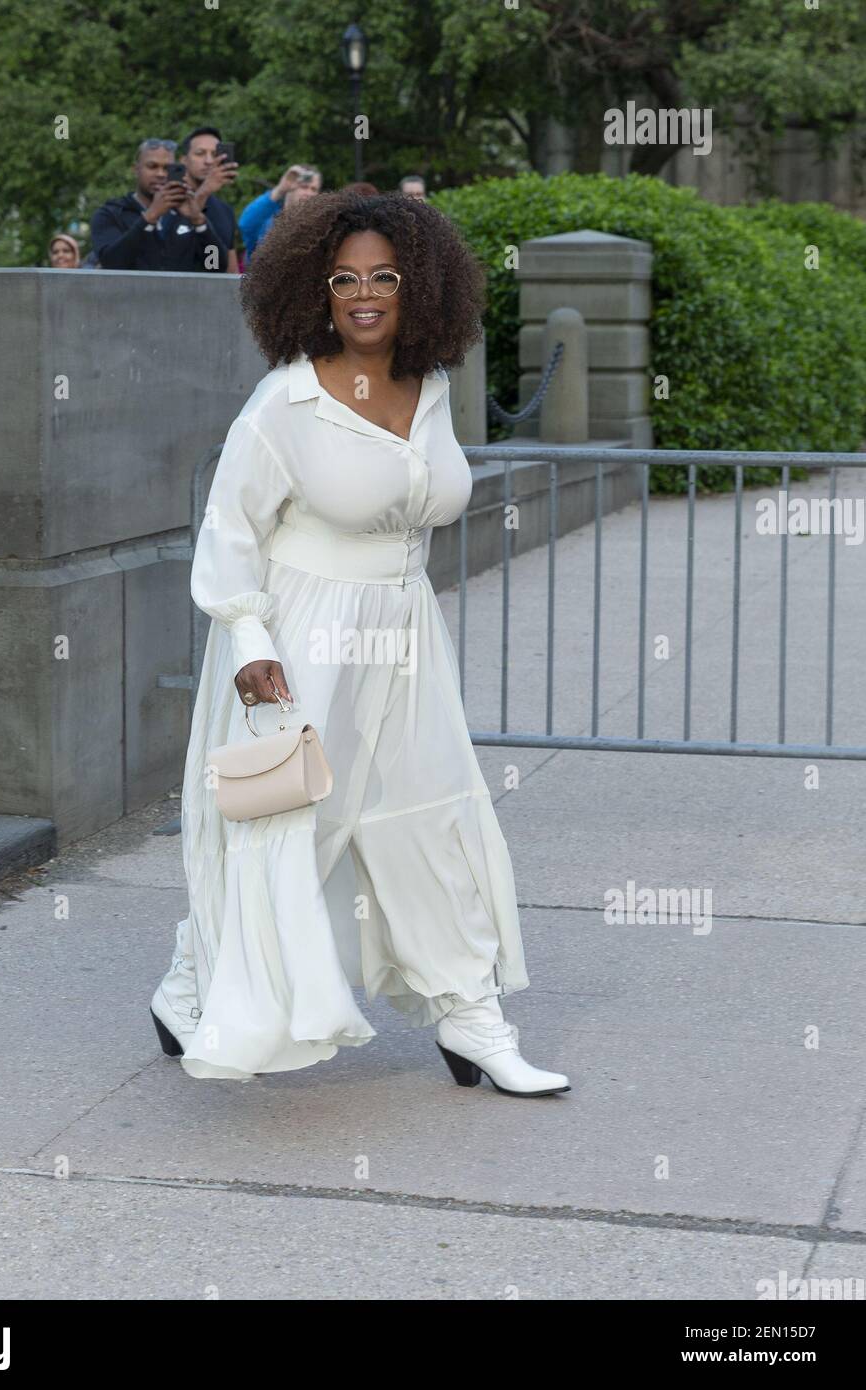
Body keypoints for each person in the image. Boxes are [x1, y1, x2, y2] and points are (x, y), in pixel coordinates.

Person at [150, 190, 571, 1098]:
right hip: (301, 632)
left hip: (405, 625)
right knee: (294, 818)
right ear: (316, 292)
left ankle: (471, 1018)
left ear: (419, 287)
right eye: (344, 280)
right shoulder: (284, 402)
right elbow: (228, 530)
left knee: (431, 812)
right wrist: (252, 642)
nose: (364, 294)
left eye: (384, 276)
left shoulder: (433, 387)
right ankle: (195, 981)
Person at [89, 138, 230, 272]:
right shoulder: (111, 214)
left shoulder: (187, 214)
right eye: (152, 166)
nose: (161, 174)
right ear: (136, 169)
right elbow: (111, 263)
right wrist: (150, 217)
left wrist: (199, 221)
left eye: (167, 168)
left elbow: (216, 265)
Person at [176, 126, 240, 274]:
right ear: (184, 160)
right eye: (200, 153)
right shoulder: (168, 202)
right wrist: (203, 193)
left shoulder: (225, 210)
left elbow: (228, 269)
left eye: (215, 154)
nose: (209, 161)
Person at [238, 165, 322, 261]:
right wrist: (280, 190)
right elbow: (246, 224)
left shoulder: (319, 226)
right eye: (304, 187)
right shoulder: (267, 219)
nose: (309, 193)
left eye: (314, 189)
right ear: (289, 186)